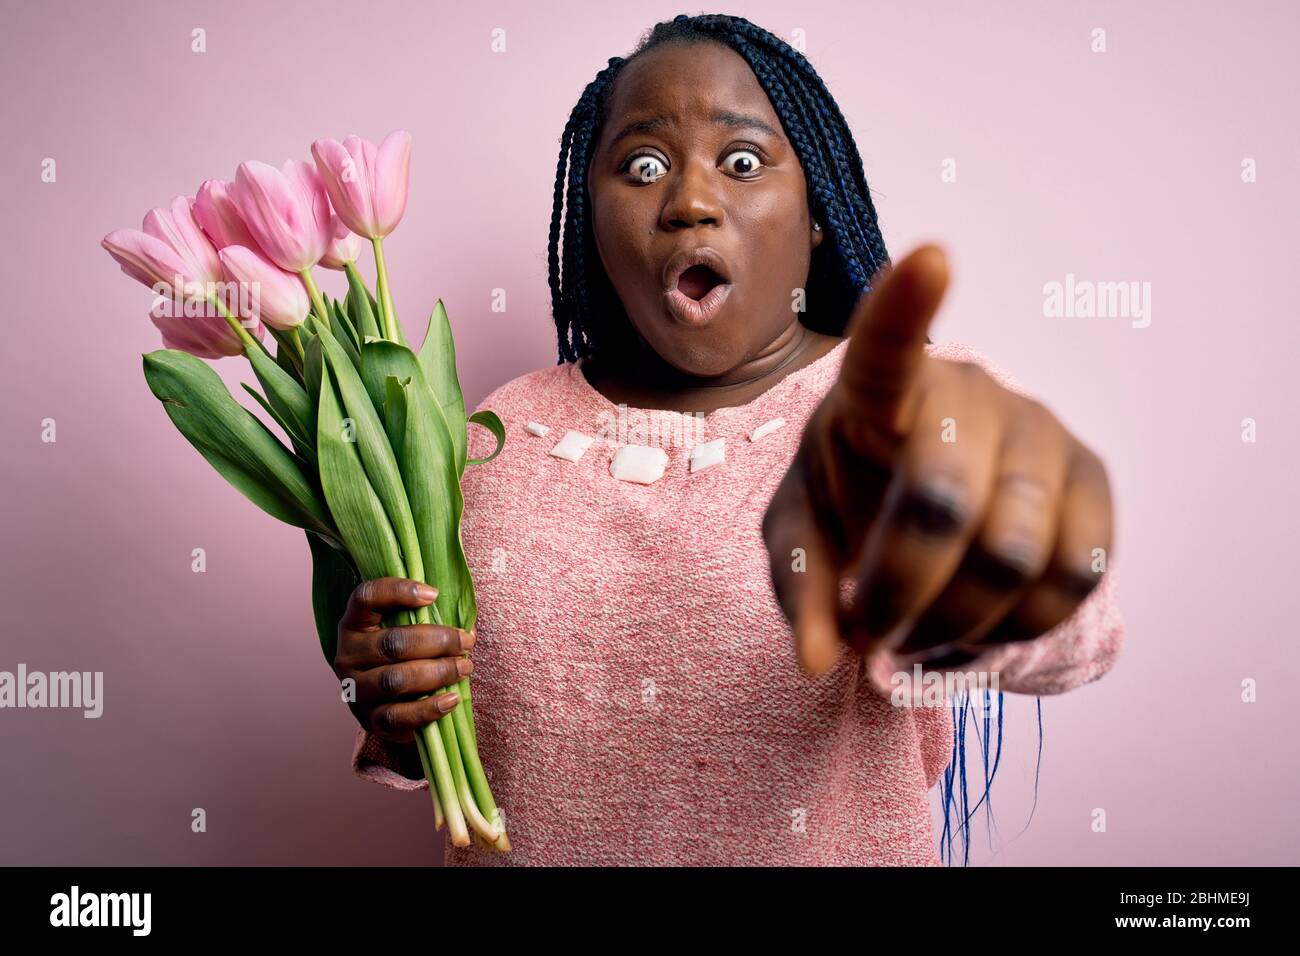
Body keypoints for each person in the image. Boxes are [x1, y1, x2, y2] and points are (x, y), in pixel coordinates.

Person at [330, 13, 1123, 865]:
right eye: (642, 167)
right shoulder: (490, 436)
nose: (691, 202)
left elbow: (1082, 634)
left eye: (742, 163)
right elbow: (455, 746)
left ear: (815, 209)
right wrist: (392, 699)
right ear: (590, 218)